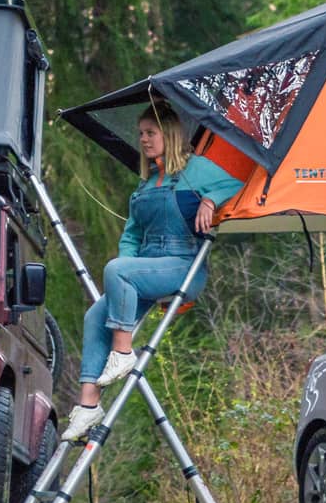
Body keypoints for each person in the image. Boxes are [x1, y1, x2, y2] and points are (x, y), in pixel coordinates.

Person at [60, 103, 244, 443]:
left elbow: (239, 185)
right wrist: (124, 275)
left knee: (117, 271)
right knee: (94, 315)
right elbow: (131, 235)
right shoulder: (145, 184)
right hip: (145, 267)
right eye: (141, 134)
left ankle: (123, 352)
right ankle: (88, 405)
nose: (143, 140)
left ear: (169, 135)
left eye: (150, 133)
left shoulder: (196, 169)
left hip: (183, 264)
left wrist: (210, 200)